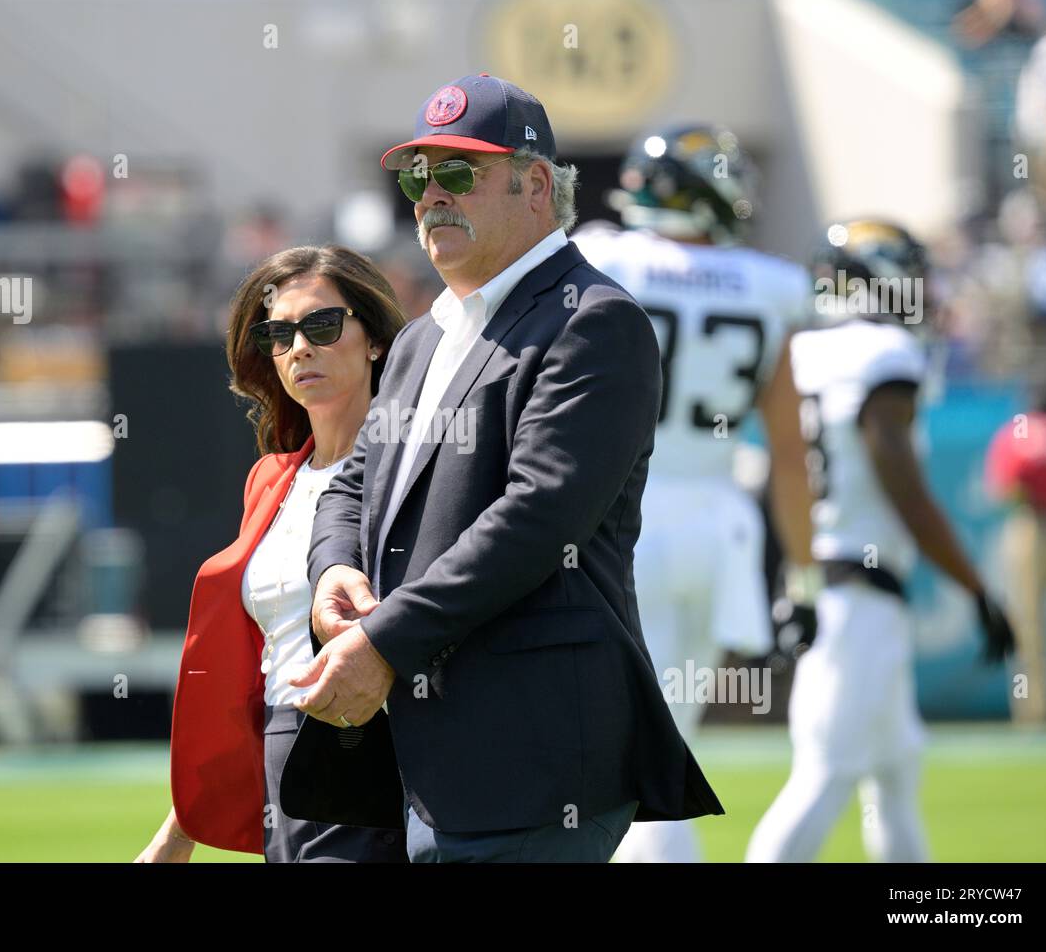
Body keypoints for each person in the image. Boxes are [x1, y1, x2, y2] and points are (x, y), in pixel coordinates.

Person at [292, 73, 723, 863]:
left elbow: (538, 518)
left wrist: (383, 642)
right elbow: (352, 481)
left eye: (457, 172)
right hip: (425, 760)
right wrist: (332, 572)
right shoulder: (423, 335)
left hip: (535, 757)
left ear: (534, 186)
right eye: (417, 175)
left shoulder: (597, 321)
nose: (430, 195)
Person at [573, 124, 814, 863]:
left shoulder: (604, 256)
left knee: (616, 762)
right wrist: (803, 575)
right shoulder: (773, 284)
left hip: (621, 521)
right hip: (717, 527)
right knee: (666, 740)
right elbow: (788, 449)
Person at [746, 220, 1016, 862]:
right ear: (881, 276)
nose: (922, 288)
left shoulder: (802, 350)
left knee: (895, 772)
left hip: (826, 580)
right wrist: (977, 590)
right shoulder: (885, 354)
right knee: (827, 774)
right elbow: (907, 493)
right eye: (912, 273)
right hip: (857, 594)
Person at [137, 245, 409, 863]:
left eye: (321, 324)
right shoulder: (271, 478)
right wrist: (175, 837)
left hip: (381, 761)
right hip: (282, 772)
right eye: (277, 334)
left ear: (374, 340)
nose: (299, 348)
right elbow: (258, 666)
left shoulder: (418, 468)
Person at [985, 382, 1046, 722]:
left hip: (1034, 528)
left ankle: (1037, 711)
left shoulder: (1016, 436)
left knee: (1028, 627)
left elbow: (1004, 490)